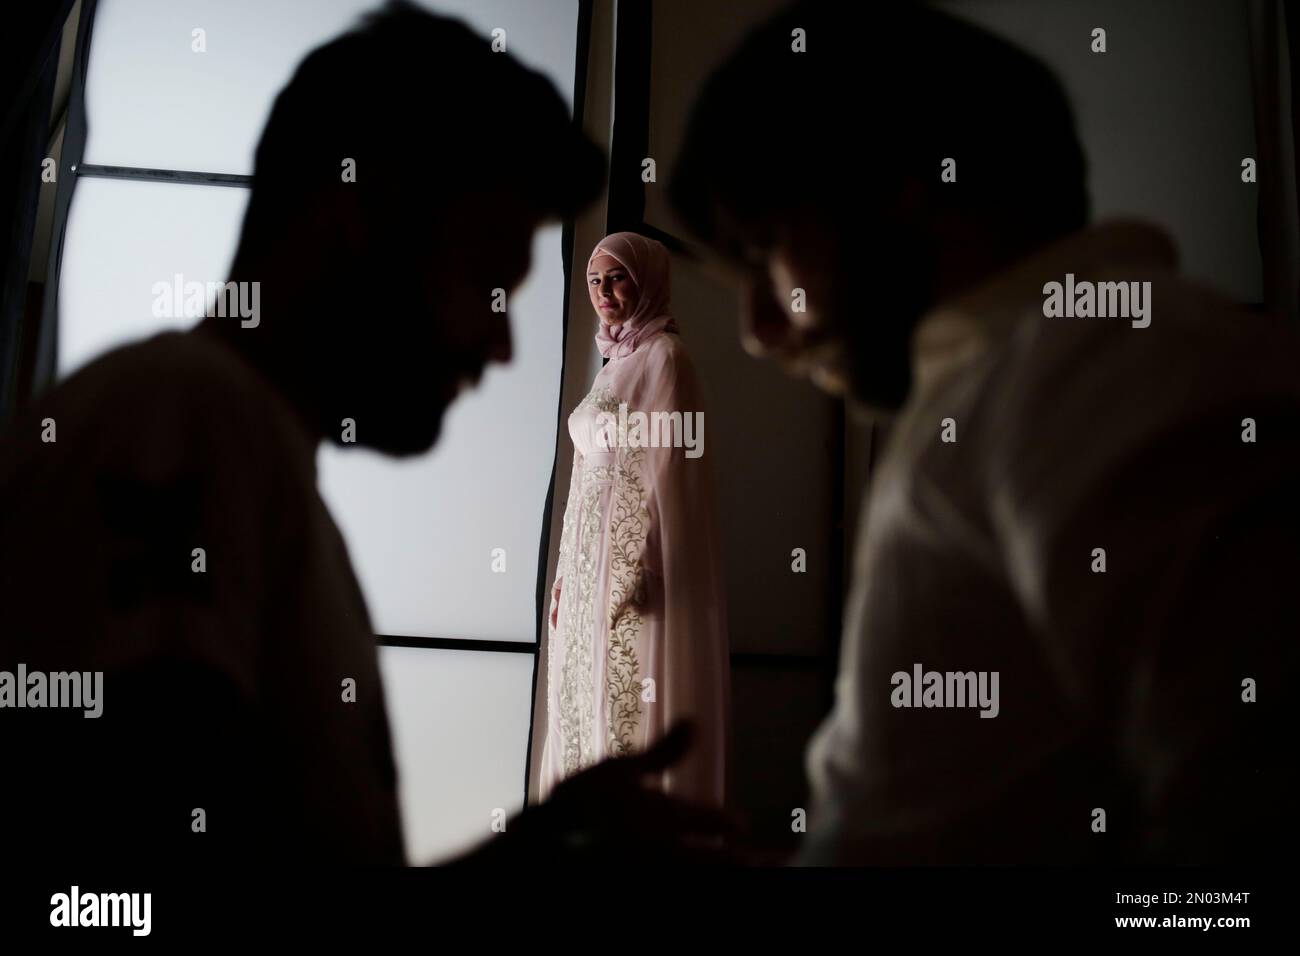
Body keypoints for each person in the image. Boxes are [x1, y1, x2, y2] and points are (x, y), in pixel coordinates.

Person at [0, 1, 728, 868]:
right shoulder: (180, 426)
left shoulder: (242, 455)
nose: (500, 347)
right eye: (486, 280)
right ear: (358, 224)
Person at [669, 1, 1299, 864]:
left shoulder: (1099, 362)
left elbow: (1243, 844)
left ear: (912, 191)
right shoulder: (1025, 378)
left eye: (768, 245)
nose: (758, 329)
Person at [539, 232, 729, 808]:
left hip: (631, 569)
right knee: (579, 696)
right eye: (595, 281)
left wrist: (636, 566)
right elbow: (587, 476)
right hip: (585, 561)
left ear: (646, 281)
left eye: (616, 278)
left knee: (625, 701)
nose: (603, 292)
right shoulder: (611, 364)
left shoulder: (665, 359)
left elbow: (669, 472)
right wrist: (568, 572)